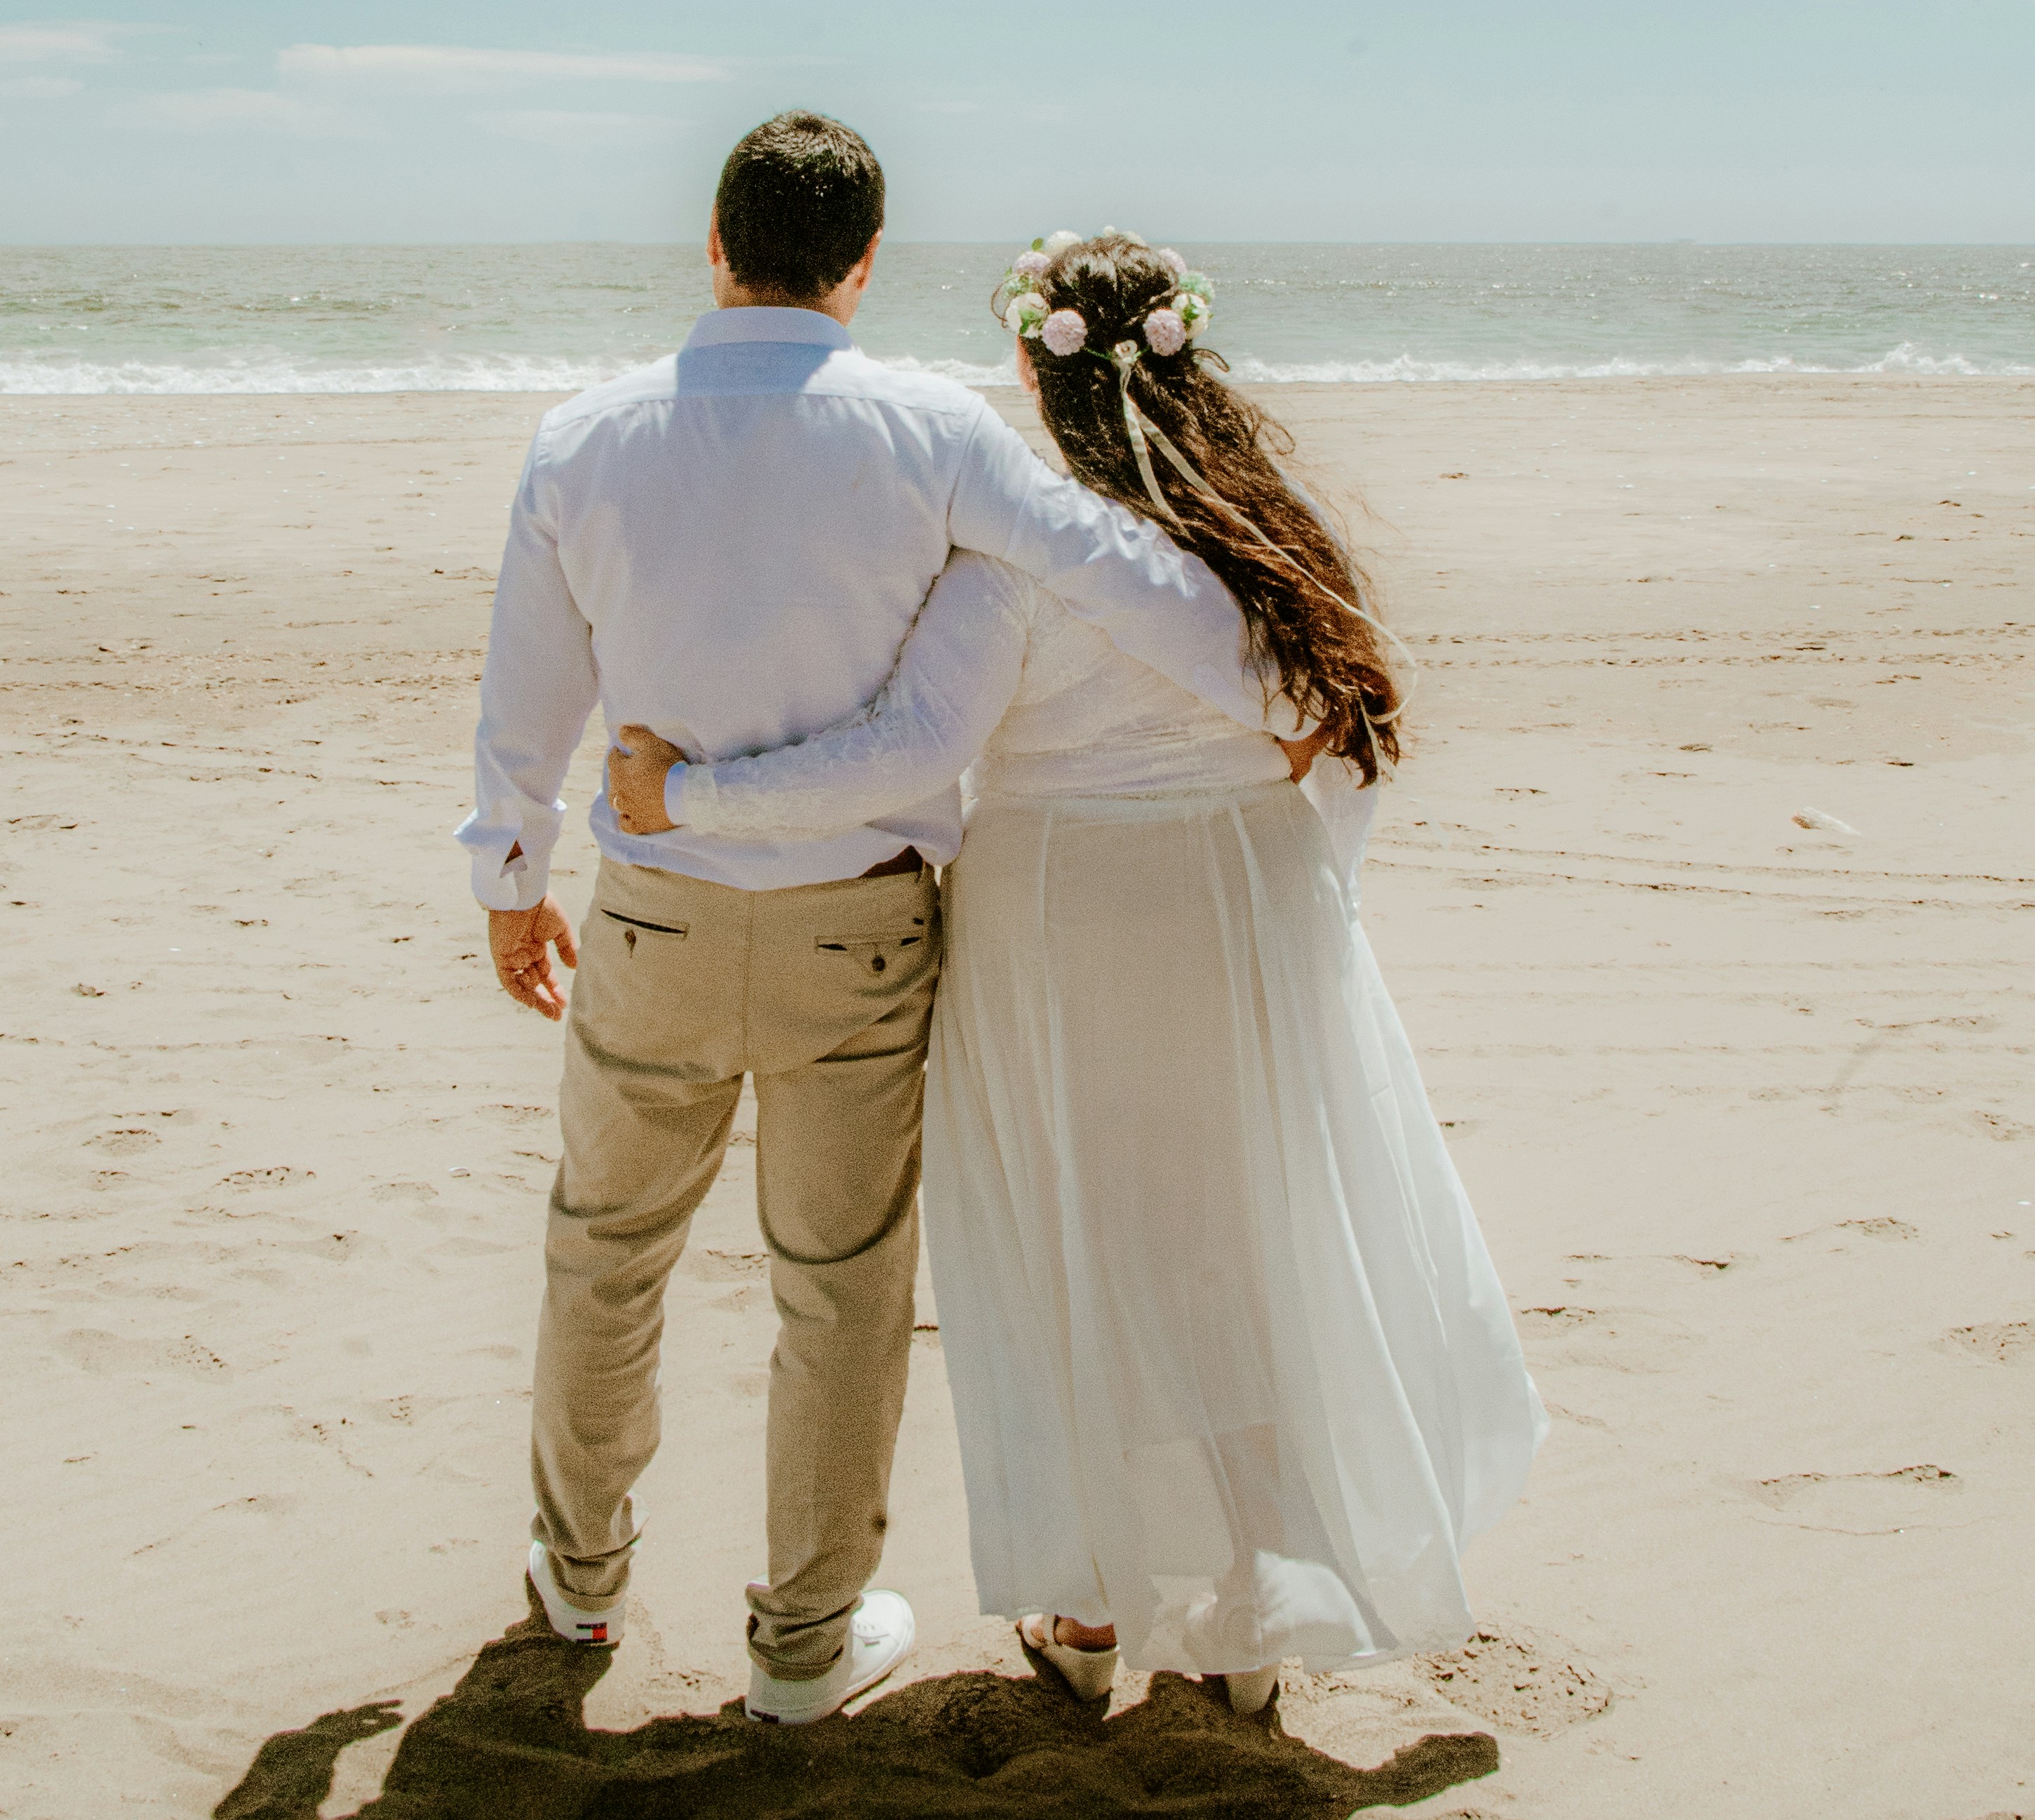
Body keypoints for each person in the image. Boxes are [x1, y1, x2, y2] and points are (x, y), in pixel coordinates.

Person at [607, 229, 1545, 1713]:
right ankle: (1248, 1614)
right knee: (1239, 1243)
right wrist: (1312, 911)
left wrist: (691, 801)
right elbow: (1343, 750)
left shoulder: (1023, 561)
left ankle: (1091, 1611)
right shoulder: (1267, 546)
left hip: (1062, 920)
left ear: (1045, 388)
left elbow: (910, 751)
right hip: (1246, 904)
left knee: (1067, 1244)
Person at [457, 126, 1303, 1725]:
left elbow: (527, 704)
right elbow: (1108, 568)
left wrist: (512, 879)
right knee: (837, 1290)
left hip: (656, 922)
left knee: (606, 1256)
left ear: (715, 240)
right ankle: (799, 1649)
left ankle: (578, 1590)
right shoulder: (934, 431)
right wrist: (1287, 675)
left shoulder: (585, 441)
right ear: (863, 262)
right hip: (858, 932)